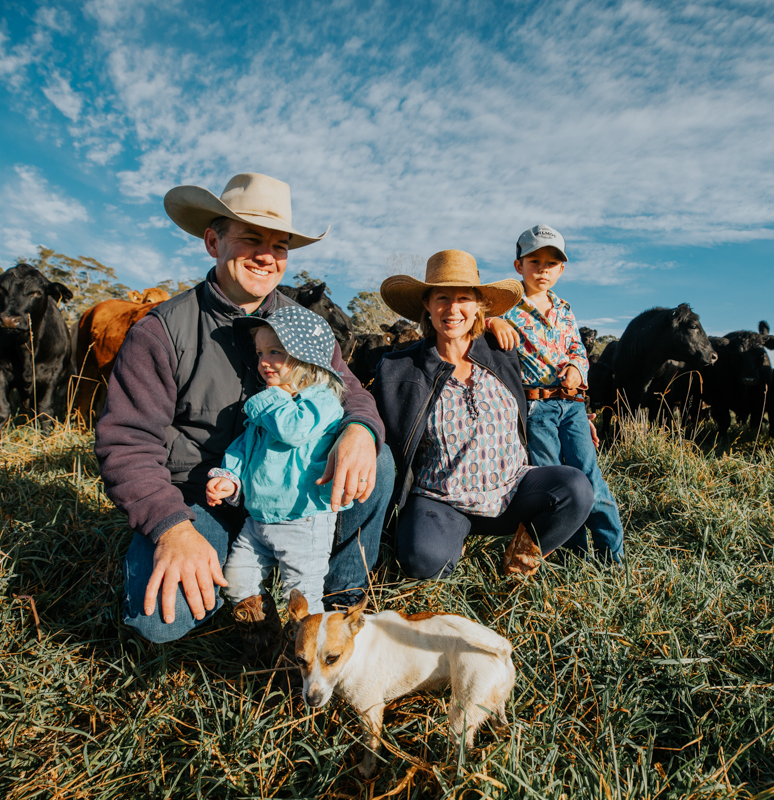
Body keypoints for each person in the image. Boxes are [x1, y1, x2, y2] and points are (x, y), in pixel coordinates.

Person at [95, 172, 392, 646]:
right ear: (213, 241)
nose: (266, 256)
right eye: (251, 239)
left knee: (376, 457)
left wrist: (359, 427)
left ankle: (338, 608)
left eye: (279, 245)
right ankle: (240, 586)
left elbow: (350, 390)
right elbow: (126, 443)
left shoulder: (306, 326)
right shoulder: (162, 330)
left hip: (291, 487)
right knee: (159, 621)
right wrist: (172, 527)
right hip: (206, 494)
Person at [373, 249, 594, 580]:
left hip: (511, 489)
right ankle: (448, 540)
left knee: (576, 488)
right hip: (440, 498)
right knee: (423, 561)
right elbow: (382, 437)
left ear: (477, 306)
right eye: (442, 297)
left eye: (464, 298)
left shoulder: (501, 353)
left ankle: (516, 566)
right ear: (427, 304)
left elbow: (542, 382)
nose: (453, 308)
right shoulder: (398, 370)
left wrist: (583, 415)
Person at [205, 307, 351, 662]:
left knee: (301, 595)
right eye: (260, 354)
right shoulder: (267, 406)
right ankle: (266, 644)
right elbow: (242, 448)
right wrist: (229, 477)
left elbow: (293, 430)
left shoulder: (320, 400)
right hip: (258, 519)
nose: (265, 362)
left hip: (304, 520)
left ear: (307, 359)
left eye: (276, 353)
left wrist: (270, 397)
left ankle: (311, 659)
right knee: (237, 580)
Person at [488, 225, 625, 564]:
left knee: (589, 475)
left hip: (573, 405)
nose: (543, 269)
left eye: (552, 263)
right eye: (535, 261)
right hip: (536, 408)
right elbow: (474, 315)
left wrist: (578, 368)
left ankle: (613, 557)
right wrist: (492, 322)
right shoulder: (506, 304)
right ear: (519, 266)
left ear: (561, 269)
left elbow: (577, 348)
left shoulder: (564, 308)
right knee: (554, 480)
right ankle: (571, 556)